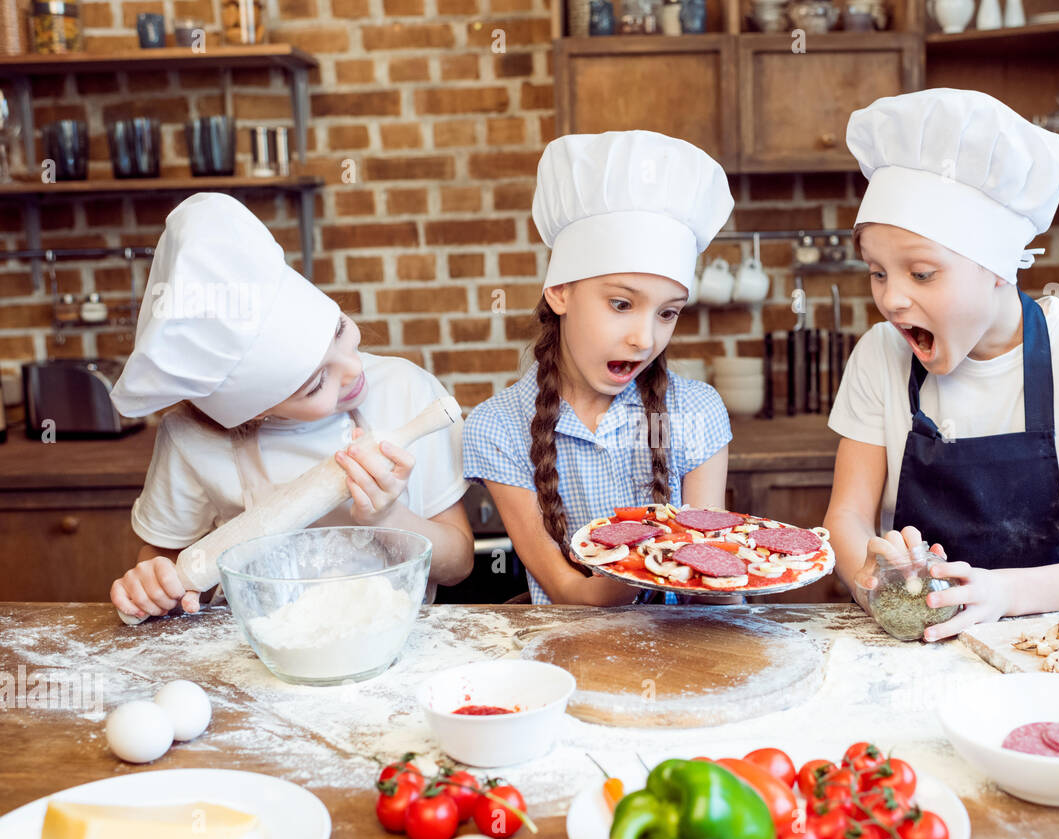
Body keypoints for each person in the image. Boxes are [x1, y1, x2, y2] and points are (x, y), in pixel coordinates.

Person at [823, 88, 1059, 640]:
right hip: (920, 638)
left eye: (921, 274)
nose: (892, 298)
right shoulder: (880, 355)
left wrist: (1004, 593)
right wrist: (874, 583)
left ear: (999, 268)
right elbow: (845, 521)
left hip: (1057, 640)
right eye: (878, 272)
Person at [108, 193, 473, 621]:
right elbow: (167, 566)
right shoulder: (191, 440)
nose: (354, 369)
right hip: (260, 649)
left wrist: (389, 513)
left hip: (392, 647)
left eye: (339, 330)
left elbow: (459, 565)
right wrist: (153, 585)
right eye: (317, 383)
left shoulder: (406, 390)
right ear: (256, 412)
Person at [462, 130, 734, 605]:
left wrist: (728, 570)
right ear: (560, 291)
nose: (644, 338)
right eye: (622, 303)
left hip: (688, 653)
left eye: (667, 312)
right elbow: (567, 590)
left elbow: (708, 592)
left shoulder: (698, 411)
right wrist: (643, 568)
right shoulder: (497, 427)